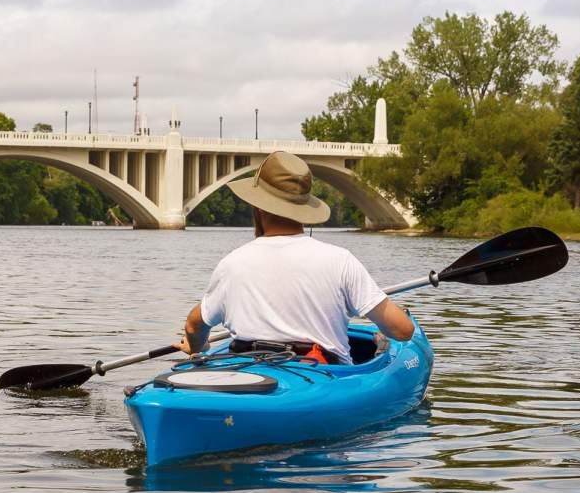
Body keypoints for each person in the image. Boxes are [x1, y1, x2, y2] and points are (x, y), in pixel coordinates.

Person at [176, 151, 414, 364]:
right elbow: (403, 331)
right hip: (321, 376)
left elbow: (194, 325)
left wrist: (200, 348)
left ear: (259, 207)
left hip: (247, 371)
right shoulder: (340, 261)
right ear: (304, 210)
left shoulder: (231, 264)